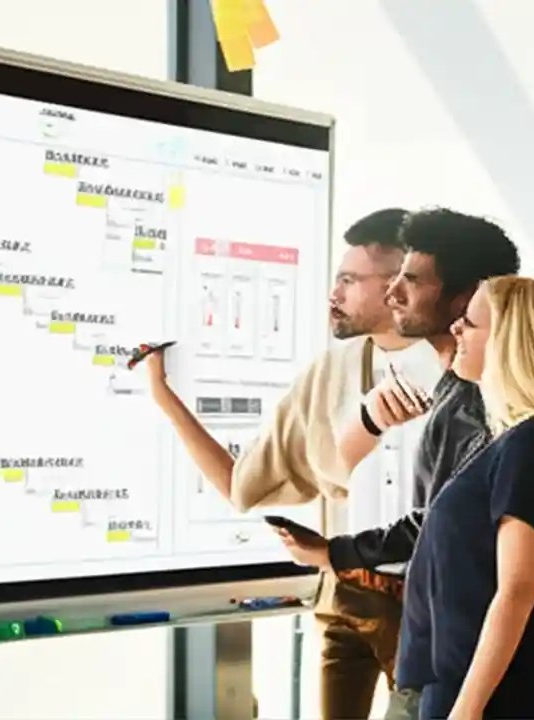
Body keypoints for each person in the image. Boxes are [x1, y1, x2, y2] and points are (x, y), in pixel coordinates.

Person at [144, 208, 446, 720]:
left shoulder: (456, 368)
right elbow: (242, 485)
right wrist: (165, 398)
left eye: (350, 280)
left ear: (397, 283)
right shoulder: (331, 371)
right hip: (345, 592)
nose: (335, 294)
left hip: (426, 603)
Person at [273, 208, 521, 717]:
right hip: (423, 643)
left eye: (411, 279)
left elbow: (444, 531)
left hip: (451, 655)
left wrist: (335, 552)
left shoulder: (488, 408)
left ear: (463, 297)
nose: (393, 295)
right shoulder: (445, 389)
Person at [395, 276, 534, 719]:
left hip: (485, 697)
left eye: (469, 322)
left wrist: (467, 710)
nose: (455, 331)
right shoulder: (511, 441)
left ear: (508, 340)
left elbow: (518, 590)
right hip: (458, 683)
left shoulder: (533, 444)